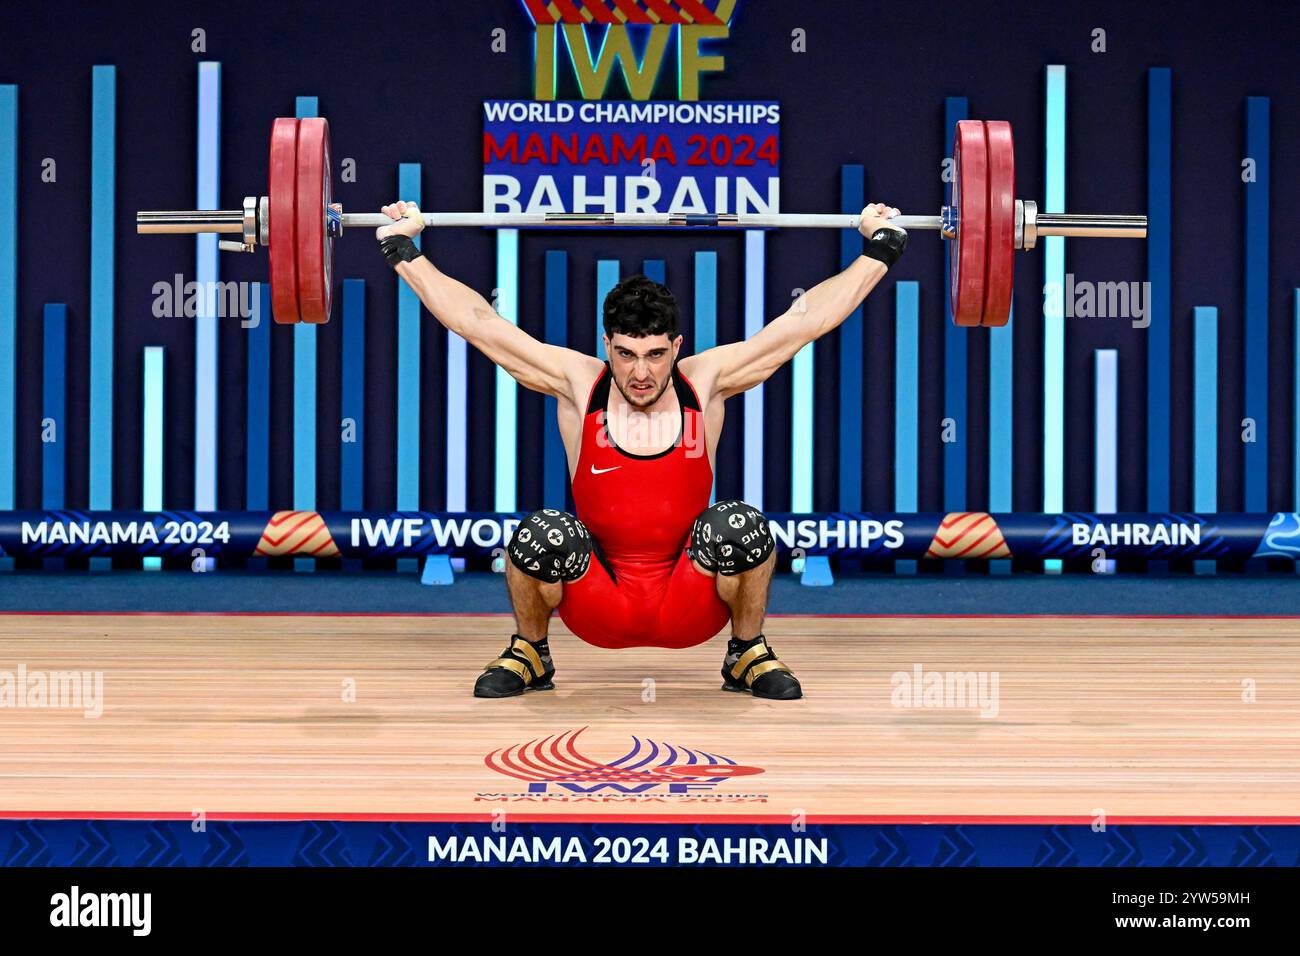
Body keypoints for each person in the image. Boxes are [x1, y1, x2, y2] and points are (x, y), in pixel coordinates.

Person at [376, 201, 905, 700]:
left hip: (690, 600)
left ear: (678, 347)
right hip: (597, 603)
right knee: (541, 532)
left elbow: (803, 323)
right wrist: (405, 251)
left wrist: (878, 250)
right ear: (607, 345)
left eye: (655, 355)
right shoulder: (579, 384)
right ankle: (530, 652)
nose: (641, 372)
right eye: (626, 354)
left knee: (739, 523)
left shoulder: (707, 381)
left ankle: (746, 651)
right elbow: (478, 324)